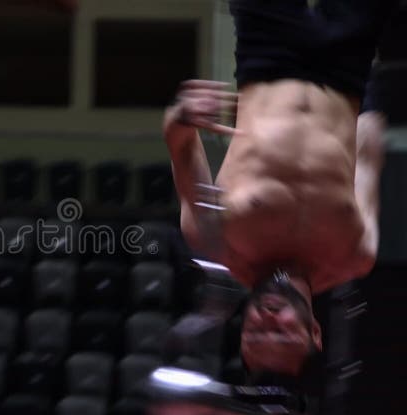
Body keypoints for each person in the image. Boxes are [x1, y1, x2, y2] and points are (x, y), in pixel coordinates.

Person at [163, 0, 396, 379]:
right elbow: (368, 161)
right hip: (345, 71)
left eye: (255, 332)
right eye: (283, 334)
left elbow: (180, 143)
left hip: (269, 58)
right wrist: (368, 87)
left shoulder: (215, 240)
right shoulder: (355, 254)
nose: (267, 319)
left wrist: (183, 114)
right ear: (315, 333)